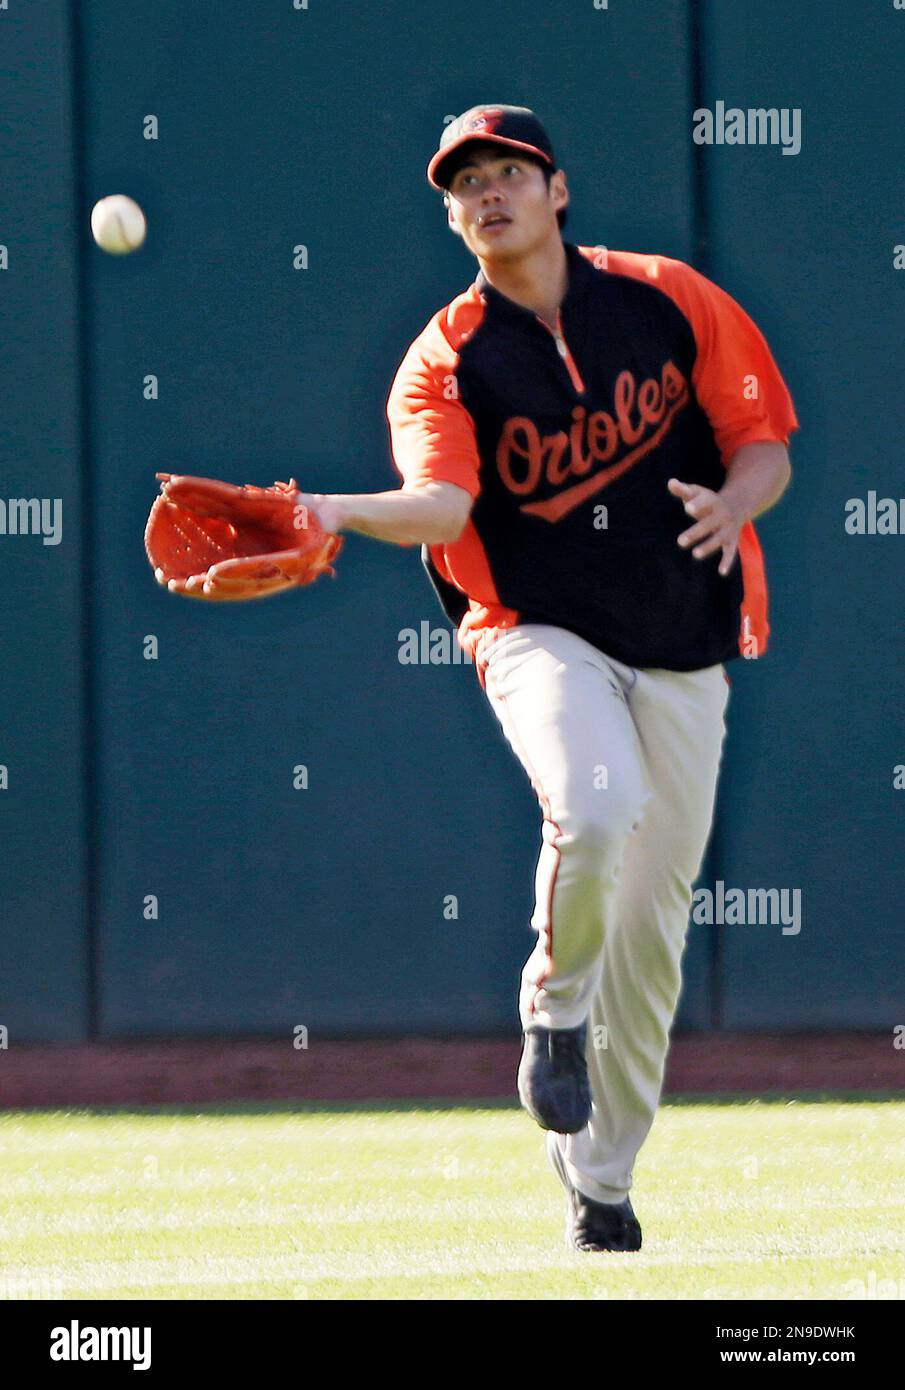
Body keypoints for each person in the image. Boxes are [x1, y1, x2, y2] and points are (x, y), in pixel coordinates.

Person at [295, 105, 799, 1252]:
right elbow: (442, 508)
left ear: (556, 189)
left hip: (682, 636)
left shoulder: (665, 295)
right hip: (534, 627)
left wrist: (735, 500)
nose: (487, 192)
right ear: (450, 210)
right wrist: (327, 508)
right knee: (592, 801)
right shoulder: (445, 357)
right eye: (464, 181)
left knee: (652, 928)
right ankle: (550, 1013)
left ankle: (602, 1187)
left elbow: (760, 438)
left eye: (508, 171)